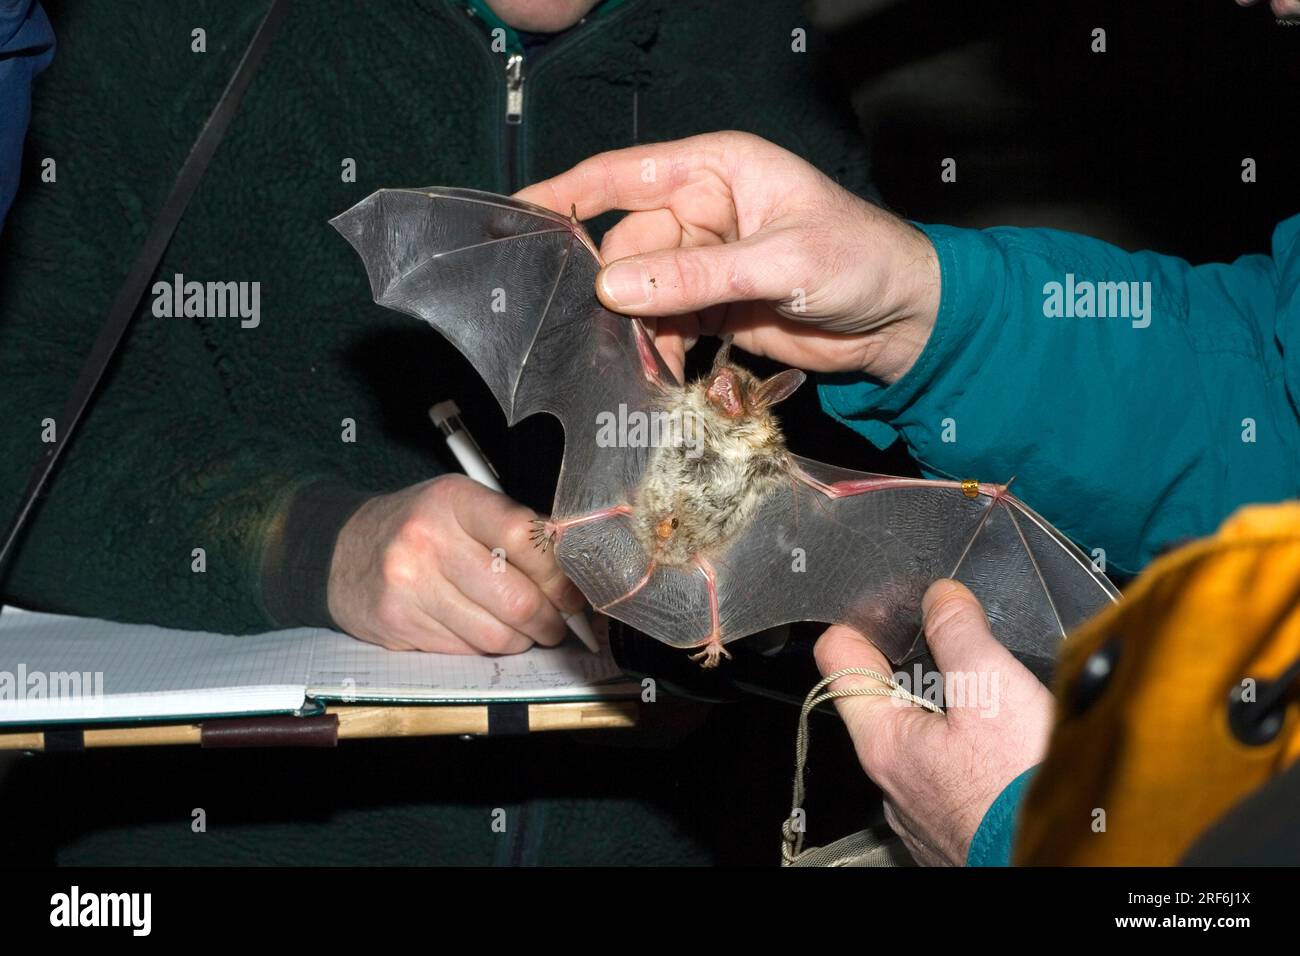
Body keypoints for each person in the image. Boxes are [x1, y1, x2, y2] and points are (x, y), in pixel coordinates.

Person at [516, 128, 1300, 864]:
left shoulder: (780, 467)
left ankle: (711, 612)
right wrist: (927, 315)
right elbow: (1260, 366)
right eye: (719, 387)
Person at [0, 0, 871, 658]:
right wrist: (311, 541)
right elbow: (23, 433)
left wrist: (746, 627)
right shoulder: (178, 31)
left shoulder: (764, 48)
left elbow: (878, 481)